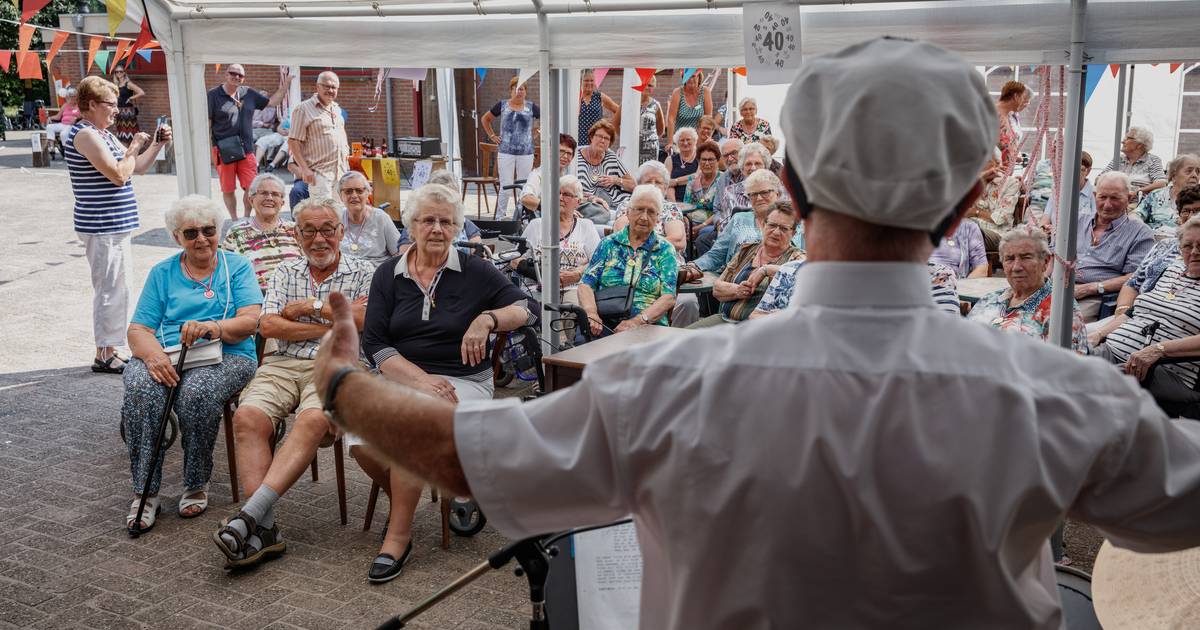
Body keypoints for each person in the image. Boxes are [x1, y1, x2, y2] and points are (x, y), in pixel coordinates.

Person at [310, 37, 1200, 630]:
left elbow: (466, 455)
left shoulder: (668, 384)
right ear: (970, 202)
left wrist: (343, 385)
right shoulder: (1055, 392)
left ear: (791, 186)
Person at [356, 183, 531, 582]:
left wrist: (488, 319)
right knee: (359, 436)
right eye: (427, 220)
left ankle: (398, 537)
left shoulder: (475, 270)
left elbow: (526, 307)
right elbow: (375, 343)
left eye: (446, 221)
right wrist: (421, 380)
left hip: (463, 380)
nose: (436, 228)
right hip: (403, 376)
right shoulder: (388, 274)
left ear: (456, 227)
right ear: (411, 225)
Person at [213, 197, 374, 570]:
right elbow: (269, 325)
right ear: (297, 235)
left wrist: (306, 308)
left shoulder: (364, 271)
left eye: (327, 229)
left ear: (341, 231)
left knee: (313, 419)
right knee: (247, 418)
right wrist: (331, 323)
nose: (319, 239)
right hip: (283, 364)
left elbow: (363, 321)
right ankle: (263, 527)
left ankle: (249, 519)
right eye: (309, 231)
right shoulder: (285, 271)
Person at [122, 196, 263, 531]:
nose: (201, 238)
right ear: (177, 237)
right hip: (172, 353)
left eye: (208, 230)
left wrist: (212, 327)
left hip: (229, 353)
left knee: (197, 391)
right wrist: (154, 356)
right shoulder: (163, 272)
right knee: (141, 386)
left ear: (219, 231)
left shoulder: (237, 266)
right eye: (190, 233)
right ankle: (145, 492)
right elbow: (138, 329)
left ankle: (196, 482)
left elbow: (250, 321)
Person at [65, 75, 172, 374]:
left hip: (115, 224)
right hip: (101, 225)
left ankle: (111, 348)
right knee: (109, 290)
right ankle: (104, 354)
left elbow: (137, 167)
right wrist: (135, 144)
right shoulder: (85, 135)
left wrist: (157, 144)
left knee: (120, 288)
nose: (116, 109)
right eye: (111, 104)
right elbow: (119, 174)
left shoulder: (103, 134)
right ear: (91, 104)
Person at [1093, 215, 1200, 413]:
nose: (1194, 252)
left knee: (1088, 381)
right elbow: (1132, 313)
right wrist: (1097, 334)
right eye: (1188, 246)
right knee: (1067, 356)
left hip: (1161, 370)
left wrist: (1159, 349)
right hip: (1114, 349)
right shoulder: (1170, 272)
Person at [1091, 184, 1200, 343]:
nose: (1190, 216)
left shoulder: (1193, 258)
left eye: (1197, 211)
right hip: (1132, 317)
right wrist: (1122, 312)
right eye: (1186, 211)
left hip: (1165, 328)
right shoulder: (1164, 245)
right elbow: (1133, 282)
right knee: (1074, 337)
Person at [966, 227, 1088, 353]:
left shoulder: (1060, 311)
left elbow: (1067, 362)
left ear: (1045, 262)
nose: (1016, 267)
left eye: (1026, 257)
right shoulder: (990, 299)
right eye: (1009, 259)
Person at [577, 184, 678, 335]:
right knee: (583, 342)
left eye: (651, 212)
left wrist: (637, 321)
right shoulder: (609, 244)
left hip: (648, 325)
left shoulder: (664, 249)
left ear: (658, 218)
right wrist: (591, 313)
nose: (644, 217)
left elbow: (668, 297)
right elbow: (586, 284)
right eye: (639, 209)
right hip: (604, 320)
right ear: (628, 212)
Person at [689, 203, 804, 328]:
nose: (776, 232)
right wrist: (738, 290)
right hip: (727, 320)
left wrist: (765, 270)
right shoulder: (747, 250)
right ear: (763, 225)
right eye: (772, 225)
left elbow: (805, 275)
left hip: (763, 328)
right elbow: (717, 289)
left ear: (793, 233)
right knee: (685, 335)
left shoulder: (796, 257)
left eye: (784, 229)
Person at [681, 168, 804, 281]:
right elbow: (716, 255)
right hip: (737, 283)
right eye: (753, 194)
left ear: (777, 193)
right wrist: (694, 265)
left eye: (765, 192)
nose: (759, 198)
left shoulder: (794, 222)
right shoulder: (739, 220)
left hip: (779, 285)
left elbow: (805, 260)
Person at [208, 64, 291, 220]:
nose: (236, 77)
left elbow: (273, 102)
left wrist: (286, 84)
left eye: (240, 75)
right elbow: (208, 123)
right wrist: (210, 149)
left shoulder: (248, 93)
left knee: (252, 187)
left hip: (246, 149)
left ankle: (246, 218)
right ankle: (234, 219)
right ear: (226, 74)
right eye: (233, 73)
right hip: (223, 150)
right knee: (228, 189)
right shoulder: (213, 95)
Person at [1074, 171, 1155, 321]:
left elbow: (1134, 277)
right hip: (1059, 288)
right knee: (1028, 315)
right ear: (1094, 196)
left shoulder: (1140, 233)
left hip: (1095, 296)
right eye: (1102, 197)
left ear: (1128, 198)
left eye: (1115, 198)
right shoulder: (1076, 221)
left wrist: (1090, 288)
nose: (1107, 205)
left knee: (1062, 323)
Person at [515, 175, 601, 315]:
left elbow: (598, 262)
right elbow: (514, 259)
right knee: (538, 314)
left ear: (578, 201)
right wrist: (543, 275)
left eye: (566, 194)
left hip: (573, 287)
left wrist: (577, 274)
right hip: (537, 288)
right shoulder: (536, 225)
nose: (560, 198)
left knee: (571, 313)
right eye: (557, 193)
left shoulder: (586, 226)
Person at [221, 173, 303, 291]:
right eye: (263, 193)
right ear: (251, 200)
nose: (269, 198)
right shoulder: (236, 233)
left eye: (275, 194)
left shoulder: (295, 229)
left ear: (282, 202)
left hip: (296, 294)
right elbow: (226, 272)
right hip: (256, 297)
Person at [481, 76, 541, 220]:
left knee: (524, 186)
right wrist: (492, 136)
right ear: (511, 90)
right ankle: (500, 217)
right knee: (506, 186)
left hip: (526, 153)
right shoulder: (502, 105)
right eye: (516, 89)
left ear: (525, 91)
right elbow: (485, 119)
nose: (519, 92)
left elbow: (545, 119)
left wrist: (537, 131)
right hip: (506, 152)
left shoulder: (531, 107)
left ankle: (523, 216)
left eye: (522, 89)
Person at [289, 71, 350, 202]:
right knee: (324, 212)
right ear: (317, 86)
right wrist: (304, 169)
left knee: (339, 211)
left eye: (334, 87)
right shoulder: (303, 109)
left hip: (340, 173)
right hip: (320, 175)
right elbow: (293, 141)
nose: (330, 90)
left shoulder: (337, 109)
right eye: (326, 86)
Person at [611, 161, 688, 254]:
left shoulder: (671, 208)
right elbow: (622, 235)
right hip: (630, 256)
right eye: (648, 181)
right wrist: (654, 244)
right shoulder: (627, 205)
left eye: (658, 182)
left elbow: (677, 240)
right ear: (638, 185)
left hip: (665, 257)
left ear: (665, 188)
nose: (653, 185)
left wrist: (641, 245)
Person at [570, 120, 634, 221]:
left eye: (607, 138)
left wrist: (615, 180)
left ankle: (620, 216)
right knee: (601, 213)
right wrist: (590, 198)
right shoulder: (576, 158)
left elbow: (633, 185)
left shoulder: (611, 157)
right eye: (599, 136)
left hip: (616, 202)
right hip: (591, 203)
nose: (603, 141)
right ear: (591, 137)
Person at [336, 171, 401, 267]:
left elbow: (398, 254)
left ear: (367, 193)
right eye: (348, 191)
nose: (354, 195)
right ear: (341, 196)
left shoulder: (381, 218)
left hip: (375, 273)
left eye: (359, 191)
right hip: (344, 273)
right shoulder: (336, 218)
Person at [966, 155, 1022, 251]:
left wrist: (975, 211)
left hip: (996, 233)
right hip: (969, 229)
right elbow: (956, 213)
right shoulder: (973, 183)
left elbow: (999, 218)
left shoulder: (1010, 183)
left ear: (996, 163)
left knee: (968, 234)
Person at [1133, 153, 1200, 233]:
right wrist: (1142, 229)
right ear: (1174, 175)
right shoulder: (1156, 195)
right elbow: (1136, 215)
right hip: (1152, 237)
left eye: (1198, 172)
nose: (1195, 175)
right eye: (1189, 171)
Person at [1040, 150, 1096, 233]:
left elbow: (1096, 226)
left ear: (1088, 171)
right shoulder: (1057, 192)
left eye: (1079, 169)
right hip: (1055, 239)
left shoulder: (1095, 194)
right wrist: (1045, 228)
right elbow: (1045, 219)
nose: (1072, 173)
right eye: (1069, 169)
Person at [520, 133, 577, 214]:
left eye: (569, 154)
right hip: (545, 218)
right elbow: (525, 198)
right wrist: (554, 208)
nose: (565, 156)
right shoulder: (538, 174)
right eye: (561, 151)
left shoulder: (569, 176)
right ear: (550, 152)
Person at [1102, 125, 1167, 195]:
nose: (1122, 141)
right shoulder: (1118, 159)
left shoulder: (1153, 160)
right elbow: (1099, 179)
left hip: (1139, 200)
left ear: (1139, 145)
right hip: (1114, 197)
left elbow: (1161, 183)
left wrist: (1138, 192)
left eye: (1128, 138)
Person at [665, 70, 713, 154]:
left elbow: (708, 120)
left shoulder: (705, 92)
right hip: (681, 140)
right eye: (688, 77)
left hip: (699, 140)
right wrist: (670, 143)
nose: (691, 79)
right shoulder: (677, 93)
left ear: (699, 77)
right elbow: (671, 119)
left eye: (693, 76)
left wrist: (708, 138)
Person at [682, 140, 722, 222]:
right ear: (699, 161)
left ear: (718, 161)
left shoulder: (723, 180)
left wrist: (702, 226)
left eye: (710, 160)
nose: (707, 163)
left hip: (713, 224)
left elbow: (722, 211)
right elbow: (686, 206)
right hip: (690, 222)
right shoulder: (692, 180)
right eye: (703, 159)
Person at [995, 80, 1029, 174]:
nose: (1023, 102)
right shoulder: (993, 115)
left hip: (1006, 175)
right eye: (1022, 98)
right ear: (1016, 96)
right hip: (995, 174)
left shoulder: (1009, 117)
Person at [577, 69, 620, 142]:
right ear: (580, 81)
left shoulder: (599, 96)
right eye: (586, 80)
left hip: (597, 141)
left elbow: (618, 110)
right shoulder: (576, 97)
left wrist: (613, 125)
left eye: (592, 80)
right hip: (578, 141)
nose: (589, 83)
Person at [109, 65, 144, 146]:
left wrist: (131, 98)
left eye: (121, 71)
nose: (119, 73)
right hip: (119, 111)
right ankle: (125, 151)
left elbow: (141, 92)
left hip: (128, 111)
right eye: (117, 72)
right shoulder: (116, 84)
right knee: (122, 133)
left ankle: (134, 150)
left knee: (131, 133)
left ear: (124, 73)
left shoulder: (128, 83)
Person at [636, 74, 665, 164]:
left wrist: (650, 139)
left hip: (650, 149)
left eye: (650, 85)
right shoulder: (629, 102)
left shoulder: (656, 105)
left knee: (649, 171)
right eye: (644, 84)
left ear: (653, 88)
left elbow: (661, 130)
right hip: (632, 146)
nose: (647, 87)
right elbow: (616, 123)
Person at [667, 127, 699, 202]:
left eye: (688, 139)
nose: (685, 143)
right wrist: (674, 204)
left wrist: (676, 181)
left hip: (695, 200)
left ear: (695, 141)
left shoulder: (700, 158)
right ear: (677, 143)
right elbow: (667, 183)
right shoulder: (670, 159)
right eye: (682, 140)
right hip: (674, 200)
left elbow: (697, 176)